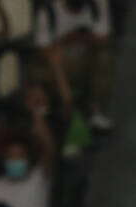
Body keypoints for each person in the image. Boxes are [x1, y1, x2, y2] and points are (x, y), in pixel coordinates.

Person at [34, 0, 114, 132]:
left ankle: (95, 110)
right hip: (57, 65)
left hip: (85, 58)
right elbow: (45, 50)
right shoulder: (48, 11)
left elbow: (103, 38)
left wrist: (76, 39)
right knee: (53, 60)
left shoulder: (97, 5)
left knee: (104, 58)